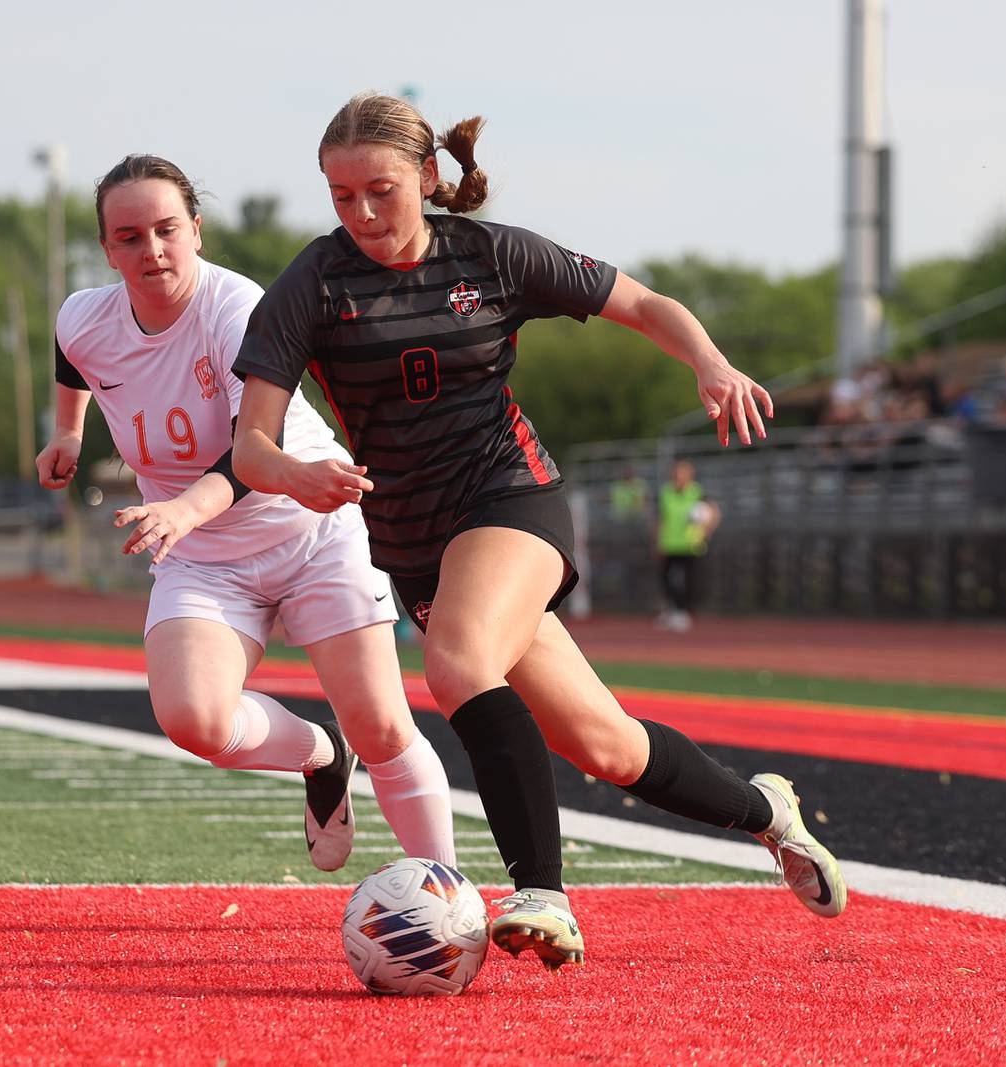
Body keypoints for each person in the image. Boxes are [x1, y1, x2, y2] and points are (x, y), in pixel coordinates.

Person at [232, 92, 846, 972]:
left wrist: (710, 363)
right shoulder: (314, 283)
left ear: (429, 177)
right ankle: (766, 811)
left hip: (510, 497)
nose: (361, 213)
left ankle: (542, 894)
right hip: (412, 540)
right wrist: (293, 473)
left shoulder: (492, 253)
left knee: (458, 666)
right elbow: (251, 446)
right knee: (607, 745)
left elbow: (645, 304)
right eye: (340, 196)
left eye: (381, 190)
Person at [34, 154, 454, 875]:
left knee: (383, 725)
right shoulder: (85, 316)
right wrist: (69, 432)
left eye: (167, 229)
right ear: (107, 249)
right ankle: (322, 754)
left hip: (306, 526)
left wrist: (180, 511)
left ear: (196, 229)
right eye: (129, 236)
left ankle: (451, 896)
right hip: (204, 553)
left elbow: (252, 454)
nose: (151, 250)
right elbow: (73, 358)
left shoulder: (236, 310)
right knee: (194, 719)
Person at [655, 459, 718, 632]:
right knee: (666, 580)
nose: (677, 476)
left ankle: (682, 612)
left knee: (687, 581)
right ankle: (671, 610)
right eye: (675, 473)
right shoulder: (666, 492)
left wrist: (707, 531)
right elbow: (660, 518)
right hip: (669, 543)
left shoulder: (697, 492)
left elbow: (713, 512)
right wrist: (657, 541)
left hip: (690, 545)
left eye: (681, 473)